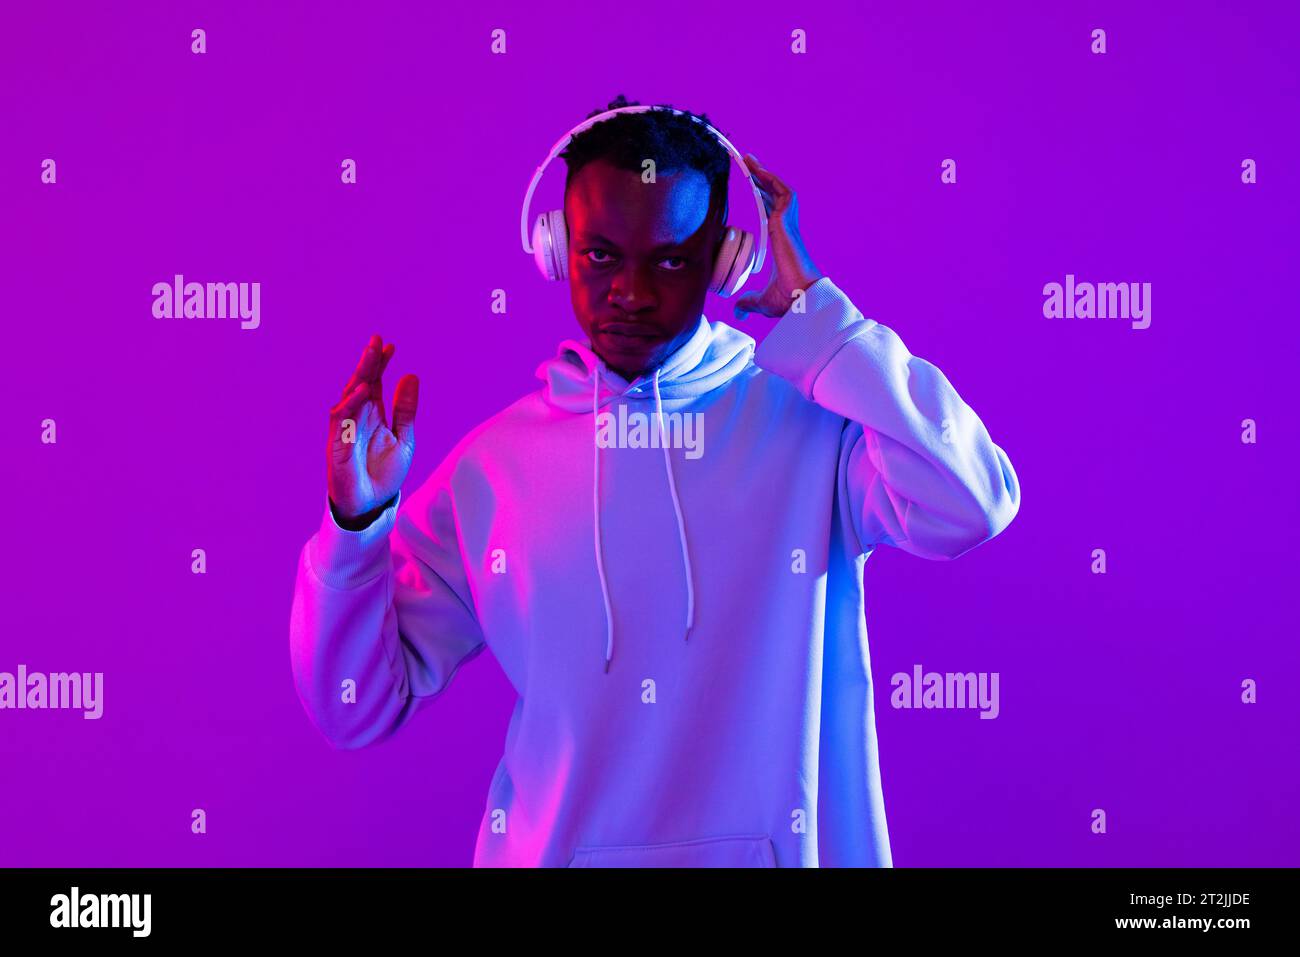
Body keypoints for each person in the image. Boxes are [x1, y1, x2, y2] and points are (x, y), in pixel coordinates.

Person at [288, 95, 1021, 867]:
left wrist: (821, 317)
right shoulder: (492, 469)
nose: (631, 293)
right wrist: (354, 523)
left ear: (727, 260)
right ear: (555, 247)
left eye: (671, 260)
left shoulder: (813, 423)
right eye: (600, 255)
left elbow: (970, 503)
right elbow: (353, 709)